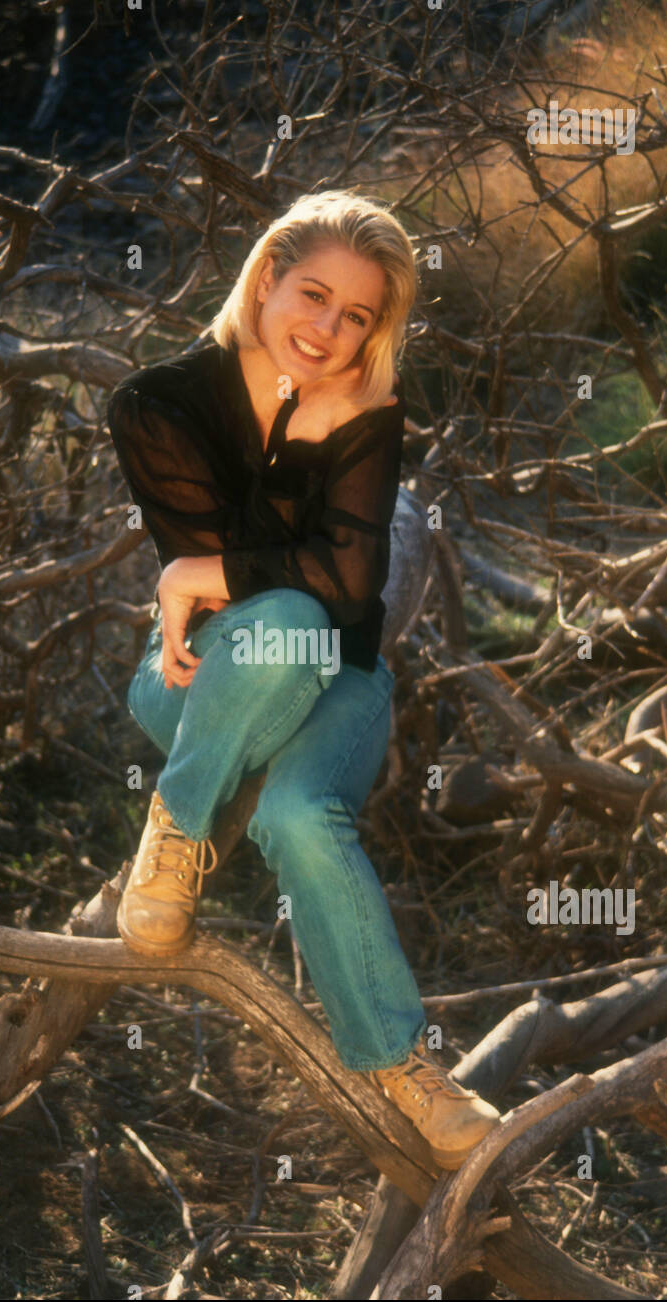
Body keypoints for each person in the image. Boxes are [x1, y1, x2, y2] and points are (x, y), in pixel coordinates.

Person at [106, 190, 500, 1168]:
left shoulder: (368, 409)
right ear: (267, 275)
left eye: (356, 316)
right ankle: (178, 829)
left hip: (344, 683)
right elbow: (266, 593)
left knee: (294, 812)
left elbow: (349, 586)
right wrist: (250, 534)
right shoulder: (157, 404)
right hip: (198, 680)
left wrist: (322, 425)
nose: (326, 330)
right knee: (278, 619)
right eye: (312, 295)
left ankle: (400, 1065)